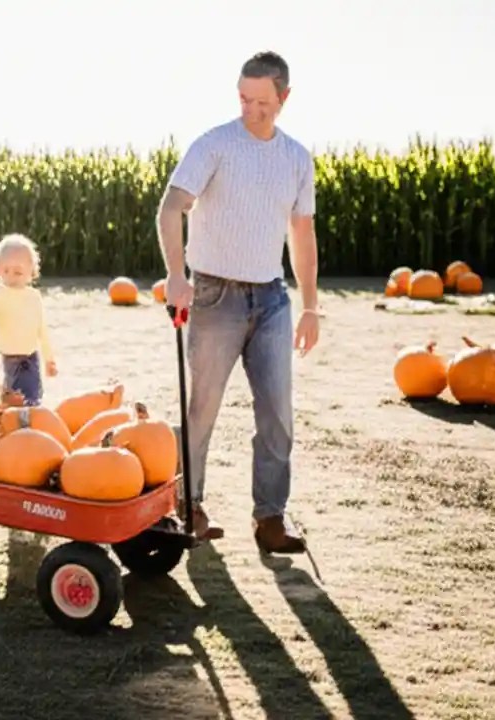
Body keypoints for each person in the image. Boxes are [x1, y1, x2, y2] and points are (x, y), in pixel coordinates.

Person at [155, 51, 321, 554]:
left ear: (284, 98)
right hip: (213, 294)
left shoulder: (296, 157)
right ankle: (190, 507)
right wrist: (176, 275)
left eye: (263, 102)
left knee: (276, 413)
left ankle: (270, 518)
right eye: (244, 99)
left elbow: (303, 232)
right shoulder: (215, 145)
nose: (252, 110)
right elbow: (171, 207)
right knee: (201, 409)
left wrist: (310, 306)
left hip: (271, 299)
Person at [0, 233, 57, 406]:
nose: (11, 277)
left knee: (31, 397)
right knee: (10, 398)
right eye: (6, 271)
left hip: (31, 357)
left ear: (31, 272)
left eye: (18, 272)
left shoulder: (34, 297)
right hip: (8, 359)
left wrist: (49, 358)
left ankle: (29, 423)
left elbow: (41, 330)